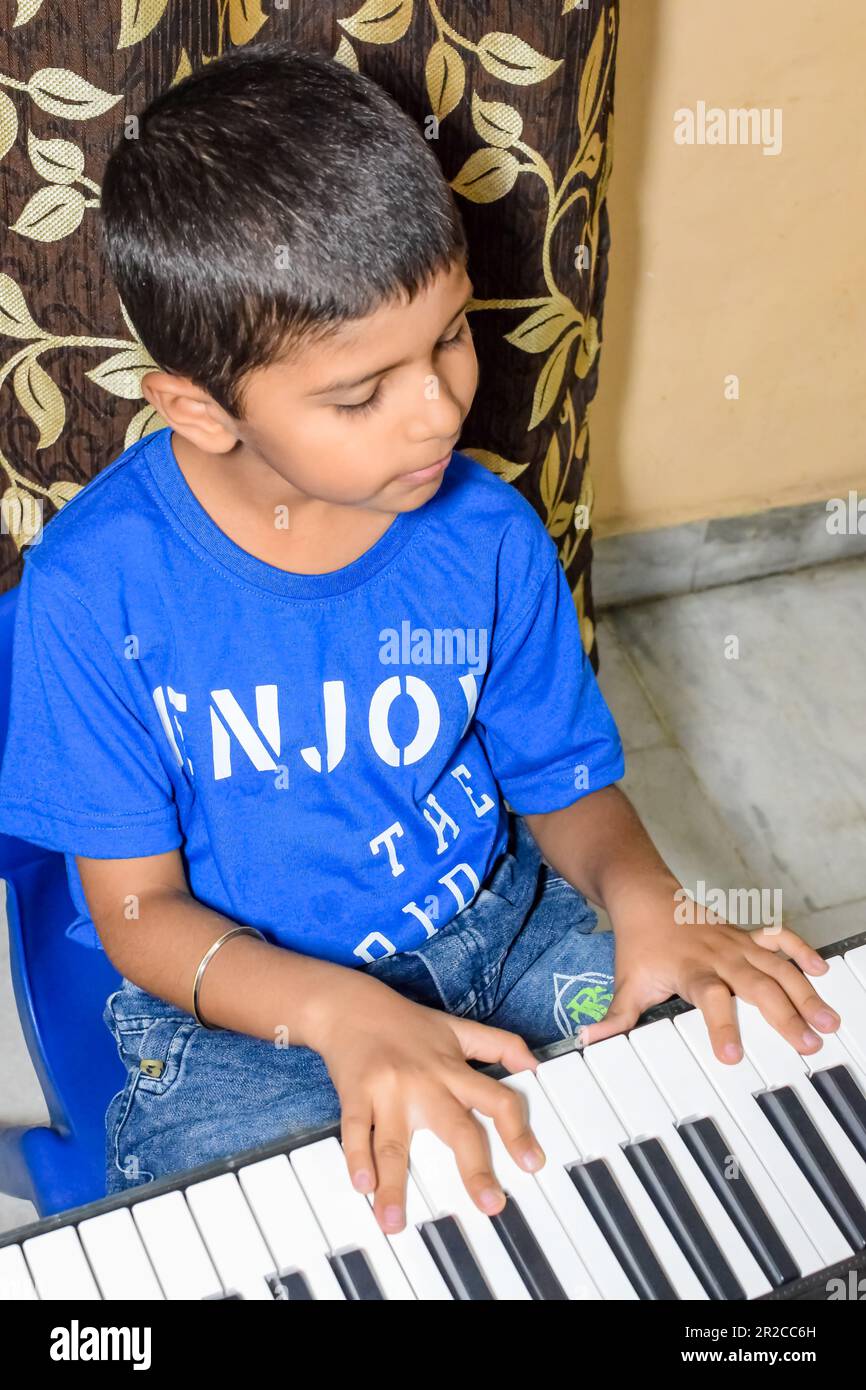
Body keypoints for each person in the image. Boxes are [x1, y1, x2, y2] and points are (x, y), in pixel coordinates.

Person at [0, 41, 840, 1237]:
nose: (440, 407)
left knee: (731, 1074)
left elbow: (564, 782)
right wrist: (343, 1017)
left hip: (498, 938)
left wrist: (649, 896)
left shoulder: (483, 533)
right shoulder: (97, 589)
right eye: (360, 393)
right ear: (194, 404)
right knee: (298, 1228)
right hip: (246, 1018)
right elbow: (136, 914)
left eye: (448, 337)